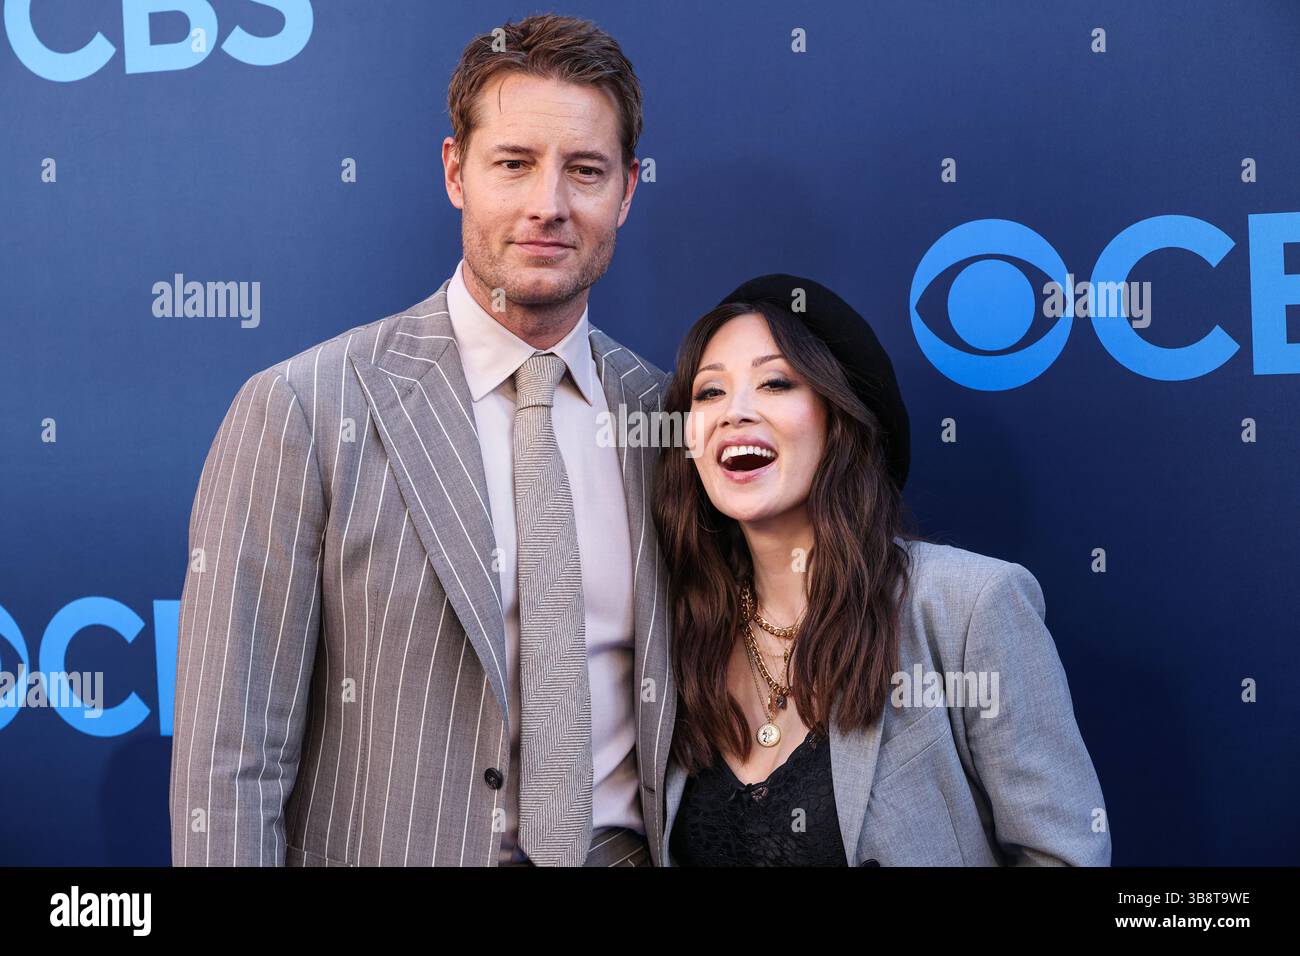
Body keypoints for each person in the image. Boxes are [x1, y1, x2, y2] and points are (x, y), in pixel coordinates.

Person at [170, 14, 674, 868]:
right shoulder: (303, 407)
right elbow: (230, 758)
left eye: (584, 171)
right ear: (455, 172)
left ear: (626, 189)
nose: (547, 204)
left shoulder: (666, 417)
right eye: (513, 164)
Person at [651, 274, 1111, 865]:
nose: (735, 413)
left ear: (838, 417)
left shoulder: (966, 604)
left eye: (775, 382)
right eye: (709, 392)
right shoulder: (678, 630)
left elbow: (1063, 854)